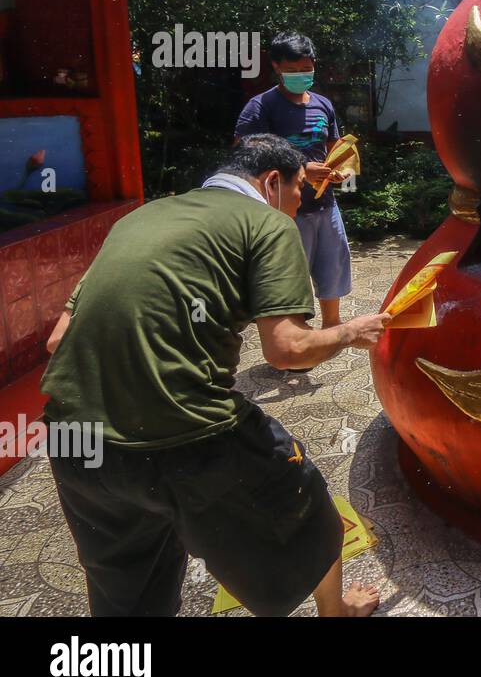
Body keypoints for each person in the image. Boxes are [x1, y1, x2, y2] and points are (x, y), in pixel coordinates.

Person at [41, 134, 390, 617]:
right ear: (271, 182)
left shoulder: (138, 218)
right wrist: (351, 330)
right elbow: (289, 350)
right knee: (306, 508)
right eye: (294, 197)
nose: (294, 210)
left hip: (73, 440)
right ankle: (337, 612)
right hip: (189, 438)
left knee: (130, 585)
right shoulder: (266, 223)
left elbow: (58, 340)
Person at [236, 31, 352, 328]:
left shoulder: (323, 105)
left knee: (333, 269)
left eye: (306, 69)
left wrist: (340, 168)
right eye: (293, 70)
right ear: (276, 66)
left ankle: (332, 327)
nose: (301, 75)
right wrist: (301, 168)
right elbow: (246, 152)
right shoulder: (261, 107)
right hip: (283, 212)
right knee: (289, 276)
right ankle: (295, 336)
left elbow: (333, 148)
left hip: (326, 205)